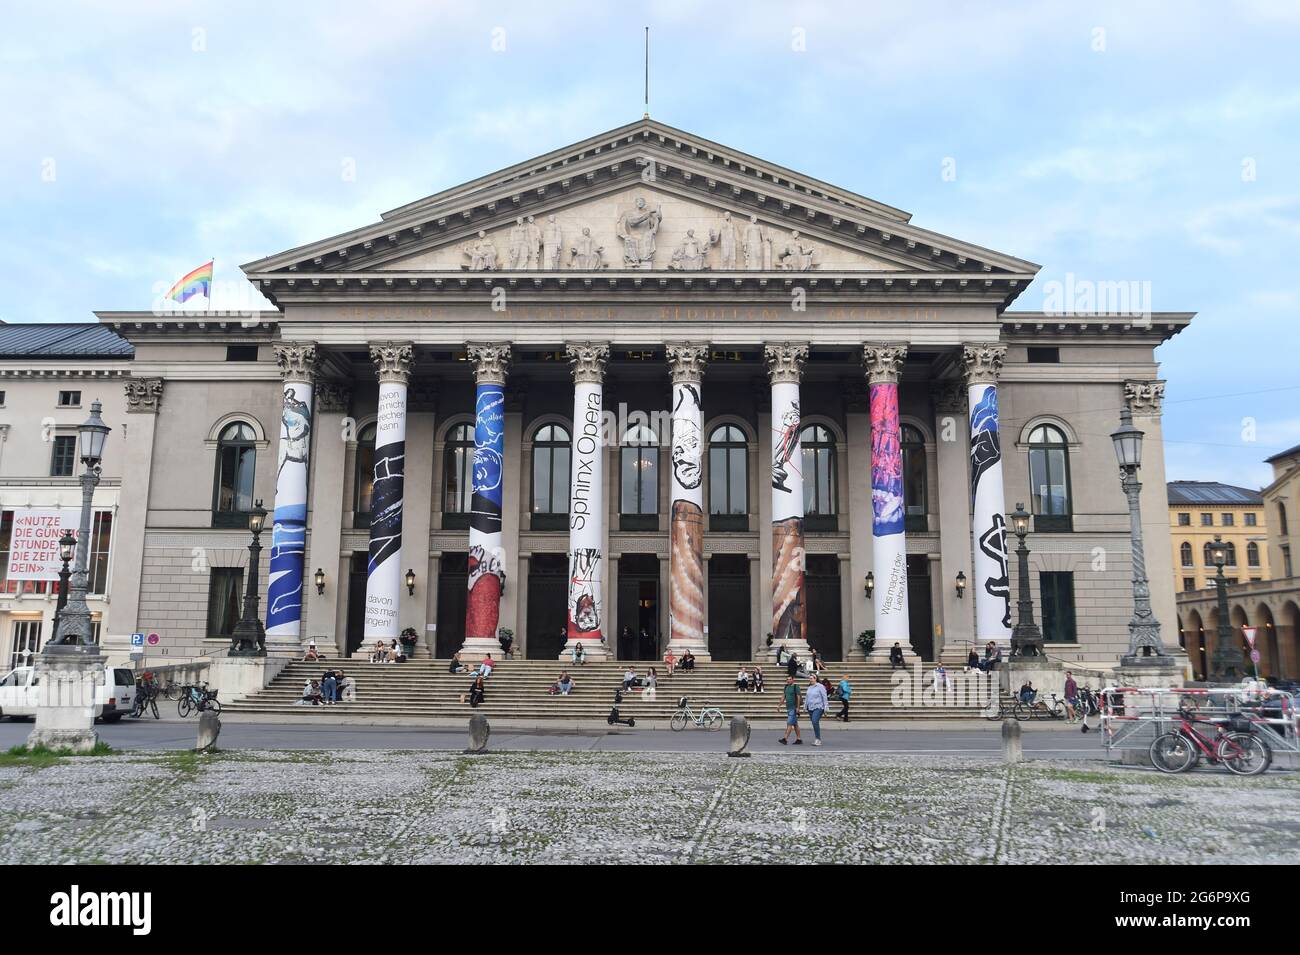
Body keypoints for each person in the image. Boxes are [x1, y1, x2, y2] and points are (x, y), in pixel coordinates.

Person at [779, 675, 803, 745]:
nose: (788, 680)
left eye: (790, 679)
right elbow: (783, 696)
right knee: (795, 724)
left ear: (793, 680)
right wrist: (779, 705)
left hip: (793, 708)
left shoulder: (796, 687)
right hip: (788, 708)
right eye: (787, 679)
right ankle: (799, 739)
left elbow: (798, 697)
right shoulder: (786, 687)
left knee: (789, 723)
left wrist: (798, 707)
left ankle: (785, 739)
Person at [805, 676, 828, 746]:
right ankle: (817, 738)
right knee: (814, 723)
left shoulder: (820, 686)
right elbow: (807, 697)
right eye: (810, 678)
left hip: (818, 706)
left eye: (811, 678)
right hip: (810, 707)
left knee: (815, 721)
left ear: (815, 679)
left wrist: (826, 707)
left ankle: (818, 739)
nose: (810, 679)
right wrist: (805, 706)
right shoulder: (809, 687)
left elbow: (824, 696)